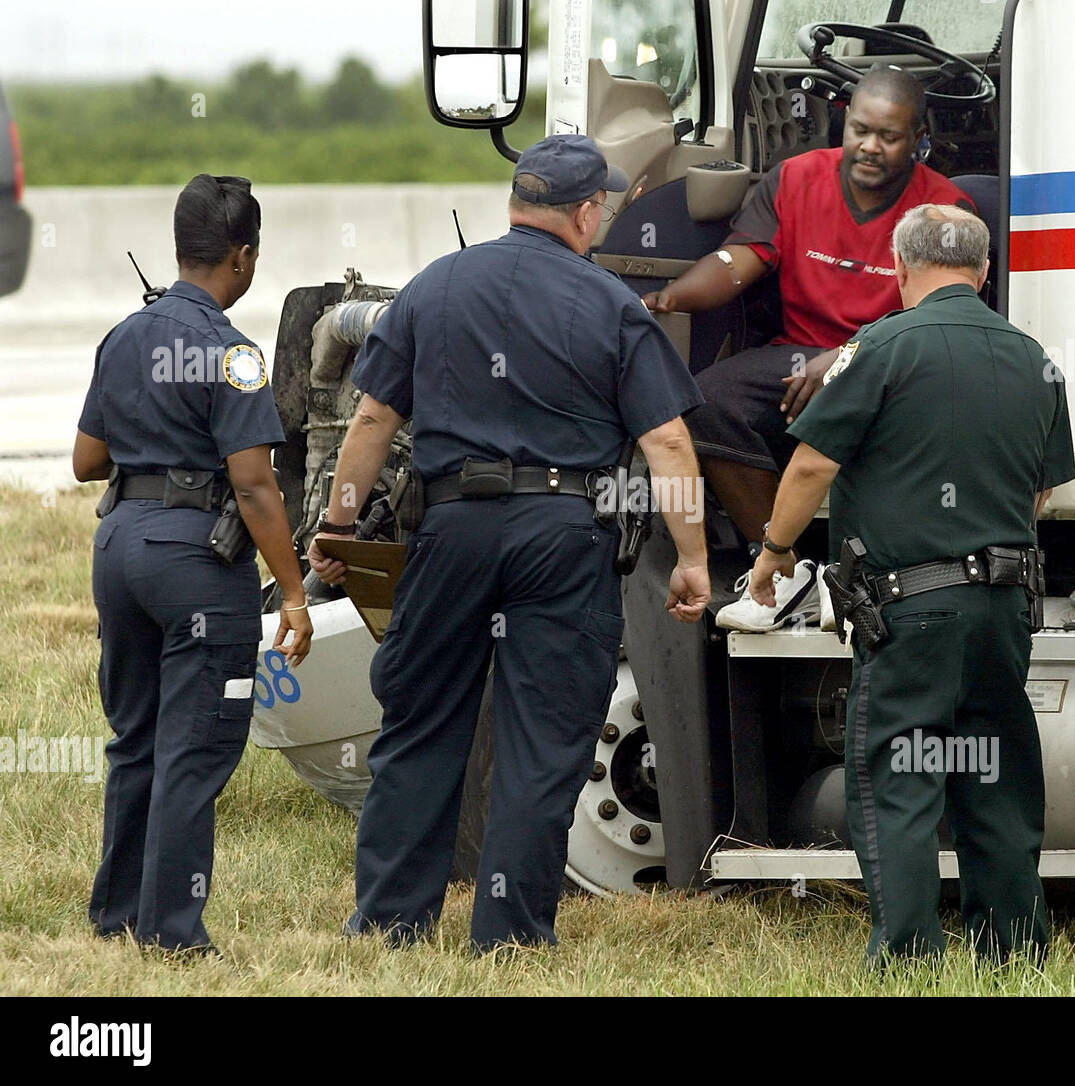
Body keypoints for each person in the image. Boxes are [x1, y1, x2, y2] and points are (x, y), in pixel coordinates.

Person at [307, 134, 710, 952]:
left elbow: (373, 420)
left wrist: (339, 525)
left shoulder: (435, 286)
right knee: (544, 737)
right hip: (562, 533)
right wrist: (695, 558)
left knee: (420, 726)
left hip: (451, 527)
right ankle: (512, 934)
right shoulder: (608, 304)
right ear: (587, 211)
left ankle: (389, 923)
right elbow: (666, 441)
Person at [748, 204, 1075, 965]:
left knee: (900, 776)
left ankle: (907, 957)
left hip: (912, 610)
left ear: (899, 268)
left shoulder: (881, 347)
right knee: (994, 775)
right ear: (986, 271)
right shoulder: (1033, 356)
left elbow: (812, 464)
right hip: (1003, 608)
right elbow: (1038, 495)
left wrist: (772, 553)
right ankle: (1014, 953)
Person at [644, 69, 976, 631]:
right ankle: (783, 570)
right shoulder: (794, 179)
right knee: (710, 400)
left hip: (898, 360)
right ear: (844, 121)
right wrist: (669, 297)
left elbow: (940, 313)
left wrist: (849, 356)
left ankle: (868, 575)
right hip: (798, 358)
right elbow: (737, 264)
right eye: (860, 130)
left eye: (889, 136)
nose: (870, 146)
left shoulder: (943, 209)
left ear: (918, 138)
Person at [73, 174, 311, 955]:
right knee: (197, 744)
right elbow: (254, 484)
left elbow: (86, 460)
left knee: (134, 737)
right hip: (195, 563)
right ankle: (174, 931)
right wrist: (297, 597)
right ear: (242, 257)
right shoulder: (236, 355)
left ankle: (115, 915)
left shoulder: (123, 336)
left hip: (119, 548)